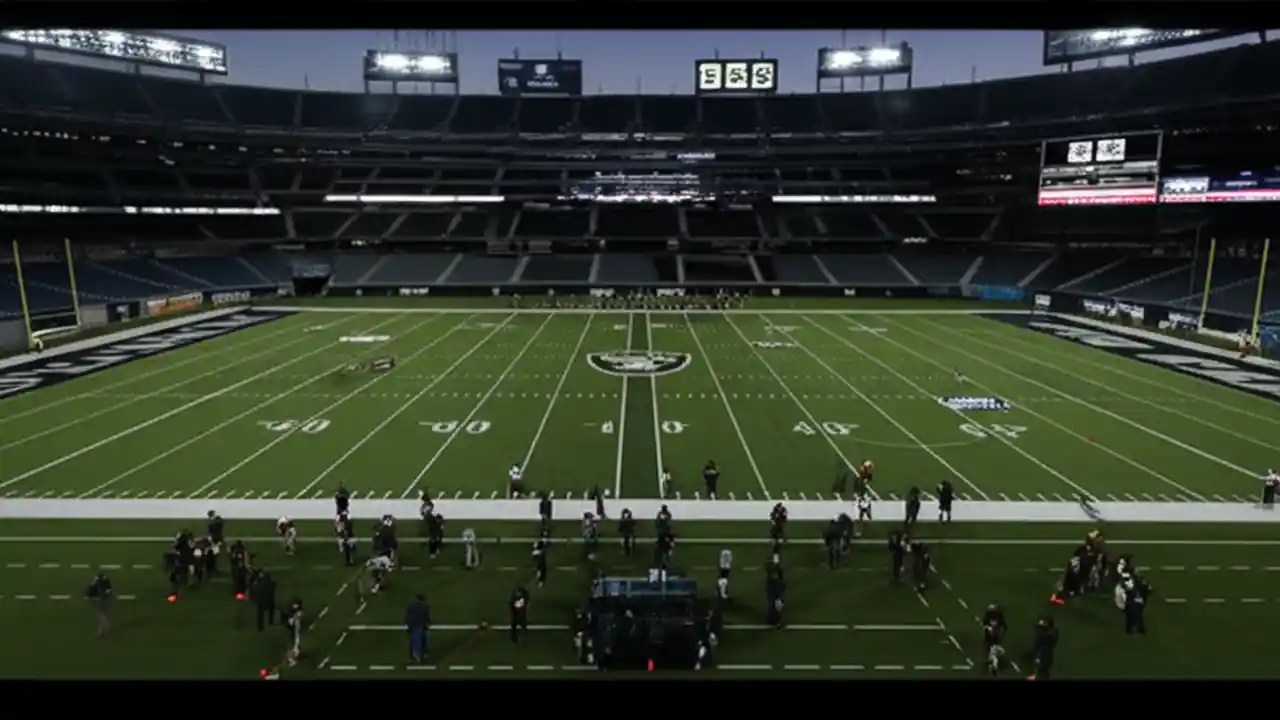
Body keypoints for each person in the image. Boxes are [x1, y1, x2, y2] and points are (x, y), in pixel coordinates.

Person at [86, 572, 113, 638]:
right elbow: (109, 591)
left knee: (101, 616)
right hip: (104, 601)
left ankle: (101, 630)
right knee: (102, 615)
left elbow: (90, 594)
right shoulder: (106, 582)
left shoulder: (96, 584)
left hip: (99, 602)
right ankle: (101, 629)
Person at [405, 594, 431, 663]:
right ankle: (420, 655)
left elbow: (408, 616)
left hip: (413, 626)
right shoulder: (425, 607)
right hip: (420, 626)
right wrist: (428, 625)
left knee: (414, 641)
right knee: (420, 641)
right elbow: (426, 617)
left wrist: (408, 625)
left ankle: (416, 655)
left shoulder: (411, 606)